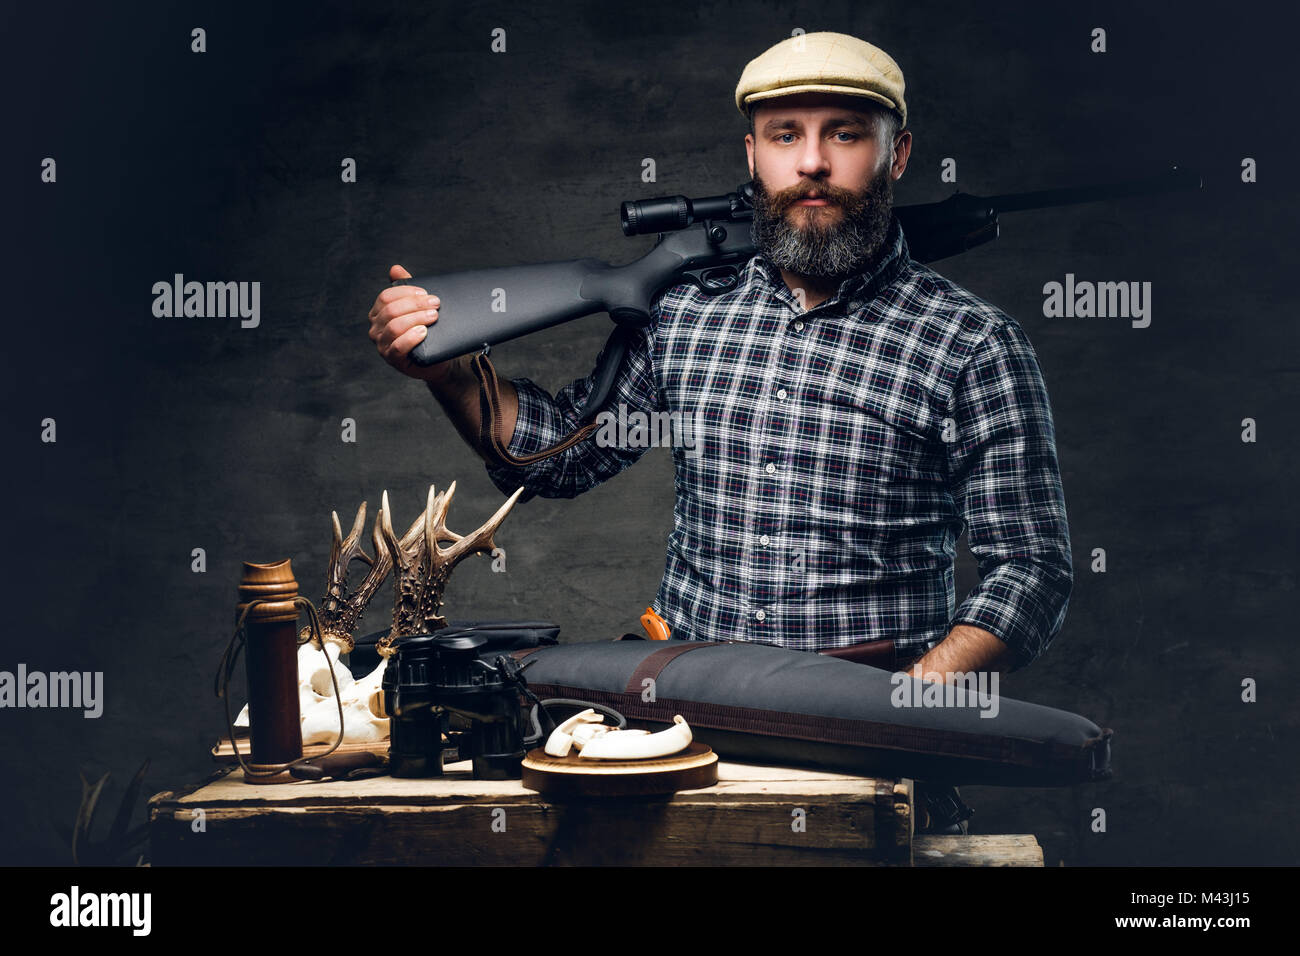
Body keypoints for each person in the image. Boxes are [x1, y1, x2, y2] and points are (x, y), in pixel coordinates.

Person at [367, 32, 1072, 691]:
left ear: (900, 153)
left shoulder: (974, 343)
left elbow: (1032, 570)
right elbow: (561, 458)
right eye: (785, 134)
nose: (812, 162)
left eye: (846, 133)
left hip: (871, 731)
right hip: (687, 720)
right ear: (751, 154)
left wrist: (912, 706)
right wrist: (447, 372)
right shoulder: (686, 307)